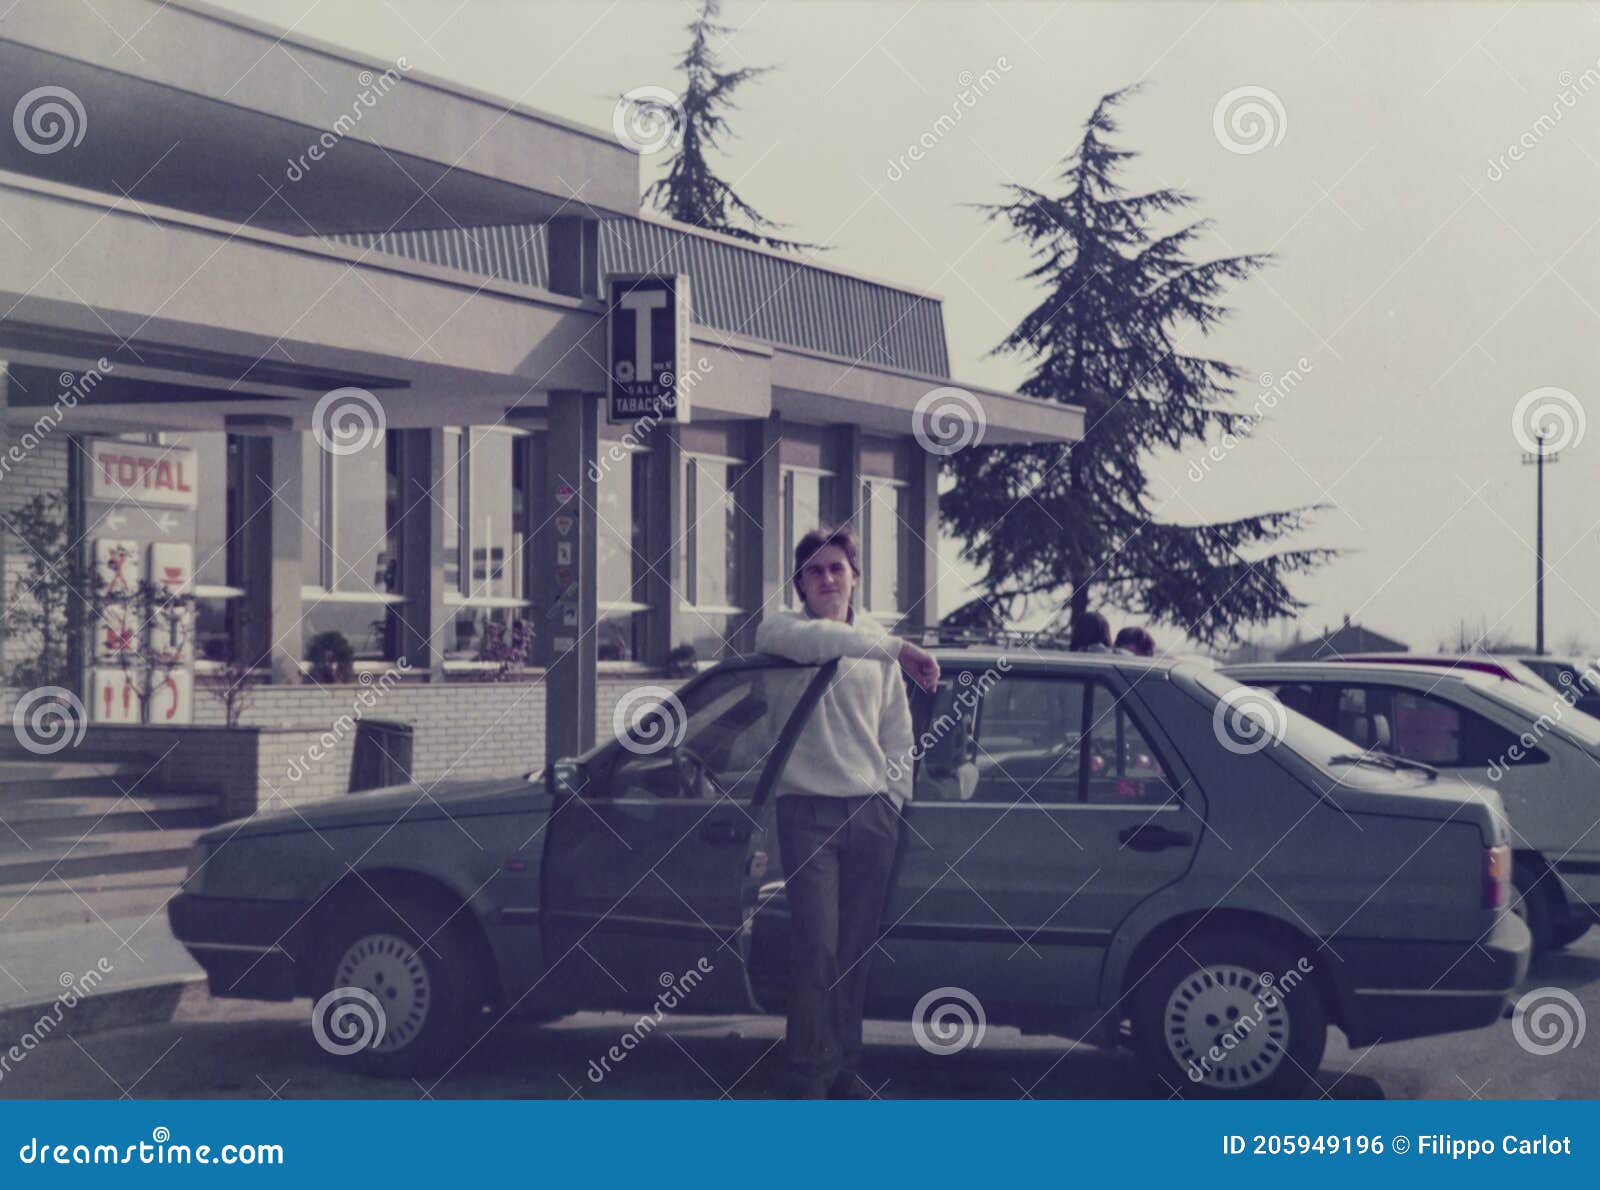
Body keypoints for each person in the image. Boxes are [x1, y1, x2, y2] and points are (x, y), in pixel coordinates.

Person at [753, 524, 940, 1099]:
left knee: (856, 950)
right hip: (806, 813)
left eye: (838, 568)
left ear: (855, 577)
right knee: (817, 947)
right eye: (815, 570)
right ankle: (807, 1072)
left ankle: (844, 1068)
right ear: (800, 583)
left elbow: (896, 734)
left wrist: (892, 799)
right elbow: (824, 645)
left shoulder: (878, 647)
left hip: (871, 815)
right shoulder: (781, 632)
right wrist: (899, 648)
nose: (827, 578)